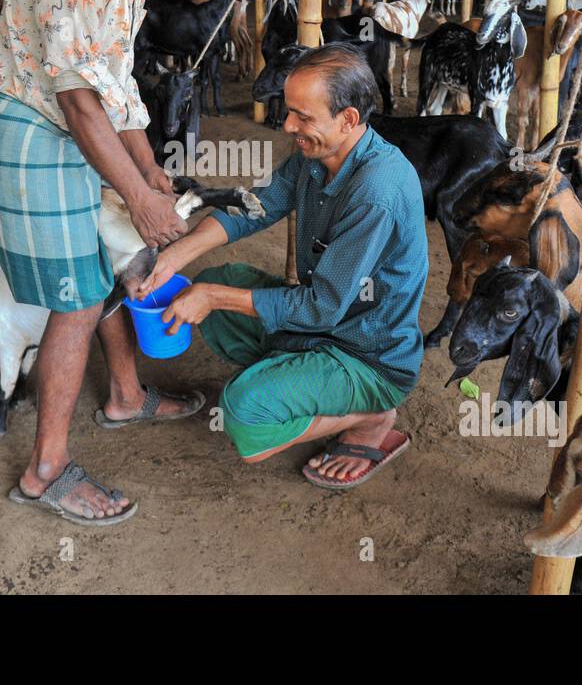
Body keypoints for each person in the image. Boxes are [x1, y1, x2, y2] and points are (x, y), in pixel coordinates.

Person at [0, 0, 211, 527]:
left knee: (102, 270)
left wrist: (149, 169)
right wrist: (140, 197)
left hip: (74, 130)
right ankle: (44, 470)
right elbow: (79, 102)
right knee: (76, 302)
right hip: (34, 137)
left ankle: (125, 396)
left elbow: (113, 82)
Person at [134, 47, 428, 490]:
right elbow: (258, 204)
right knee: (215, 279)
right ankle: (300, 376)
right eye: (289, 112)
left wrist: (212, 300)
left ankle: (371, 415)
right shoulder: (319, 155)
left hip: (369, 355)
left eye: (302, 117)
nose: (289, 126)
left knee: (241, 412)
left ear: (348, 118)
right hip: (326, 327)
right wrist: (178, 254)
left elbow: (321, 308)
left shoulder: (376, 192)